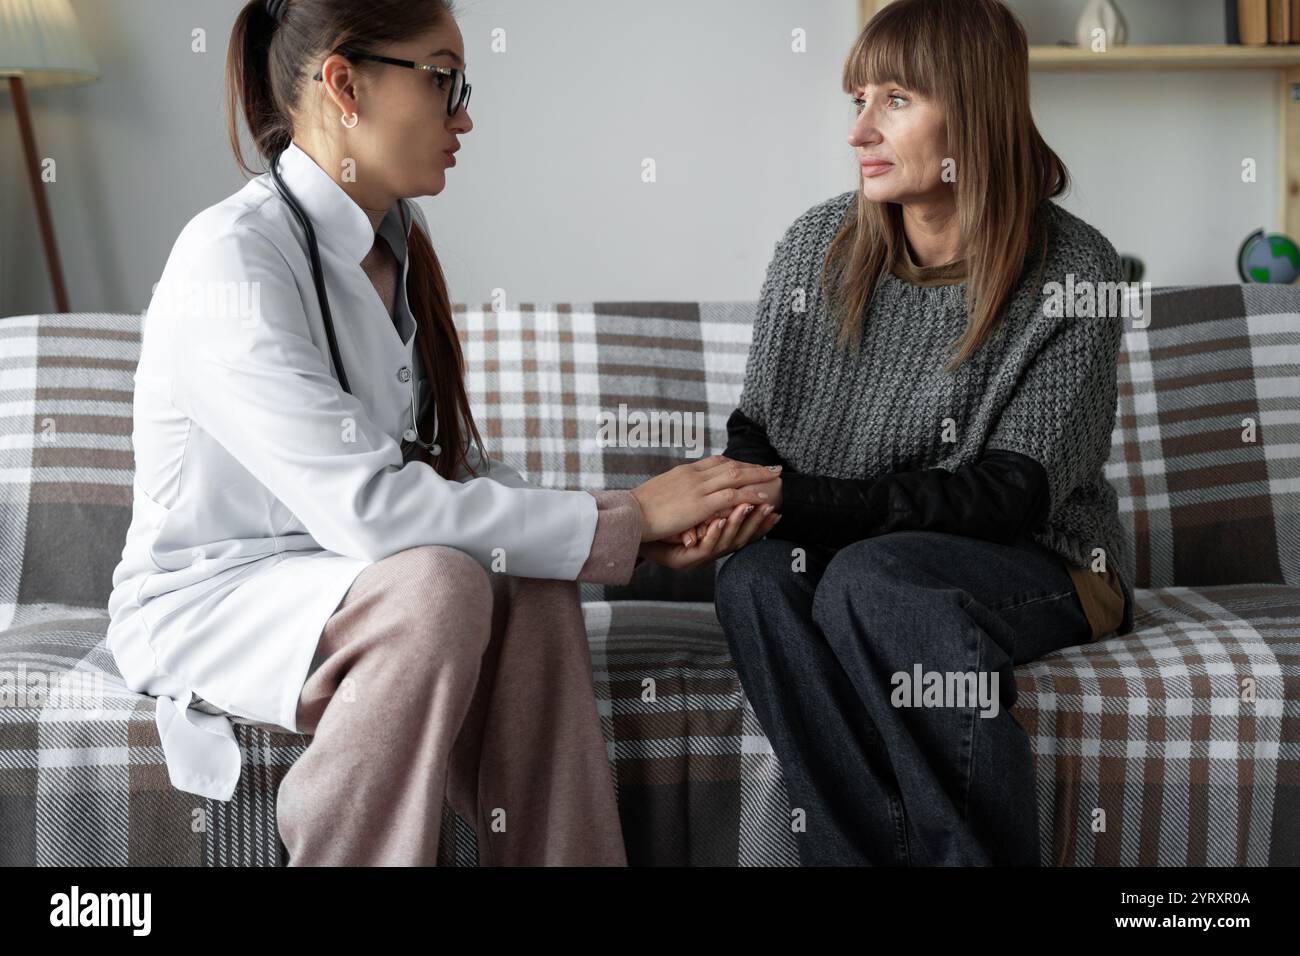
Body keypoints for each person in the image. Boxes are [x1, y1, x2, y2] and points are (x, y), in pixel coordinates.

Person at [105, 0, 781, 866]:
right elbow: (373, 512)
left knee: (526, 580)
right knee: (441, 589)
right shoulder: (230, 259)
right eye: (443, 79)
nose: (465, 115)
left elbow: (447, 473)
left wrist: (640, 532)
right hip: (212, 596)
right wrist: (624, 521)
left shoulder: (392, 245)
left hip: (335, 575)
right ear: (345, 85)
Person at [709, 0, 1136, 866]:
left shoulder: (1074, 271)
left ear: (971, 111)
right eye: (856, 100)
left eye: (894, 100)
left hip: (1044, 556)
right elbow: (757, 431)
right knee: (754, 579)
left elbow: (1007, 497)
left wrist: (794, 499)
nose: (860, 130)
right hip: (855, 551)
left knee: (877, 581)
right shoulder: (815, 250)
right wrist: (736, 505)